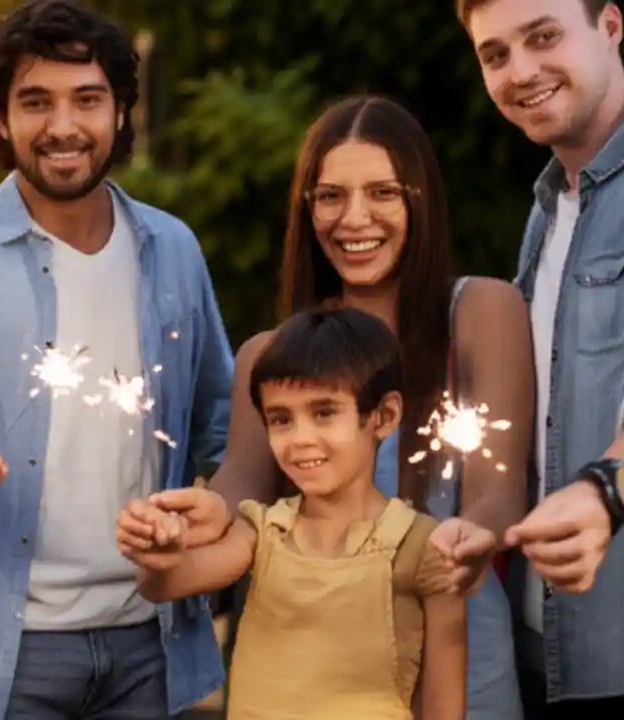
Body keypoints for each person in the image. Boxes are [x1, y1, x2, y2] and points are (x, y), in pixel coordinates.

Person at [0, 1, 235, 717]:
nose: (65, 126)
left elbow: (221, 426)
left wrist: (214, 513)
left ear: (120, 114)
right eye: (36, 101)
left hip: (150, 638)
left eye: (88, 100)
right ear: (2, 119)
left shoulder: (172, 249)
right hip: (1, 647)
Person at [146, 95, 531, 716]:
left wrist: (468, 537)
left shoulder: (481, 313)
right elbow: (238, 491)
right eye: (330, 196)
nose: (354, 218)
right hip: (310, 679)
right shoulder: (267, 356)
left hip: (456, 665)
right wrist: (197, 515)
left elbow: (499, 490)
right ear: (307, 207)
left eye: (383, 192)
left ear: (421, 200)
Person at [119, 307, 468, 719]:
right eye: (281, 419)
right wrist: (157, 545)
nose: (300, 439)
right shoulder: (262, 531)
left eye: (324, 412)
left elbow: (445, 707)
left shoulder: (422, 546)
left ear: (384, 416)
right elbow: (163, 584)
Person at [458, 0, 624, 714]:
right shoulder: (547, 209)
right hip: (545, 652)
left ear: (610, 26)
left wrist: (607, 491)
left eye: (543, 37)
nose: (522, 72)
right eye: (495, 54)